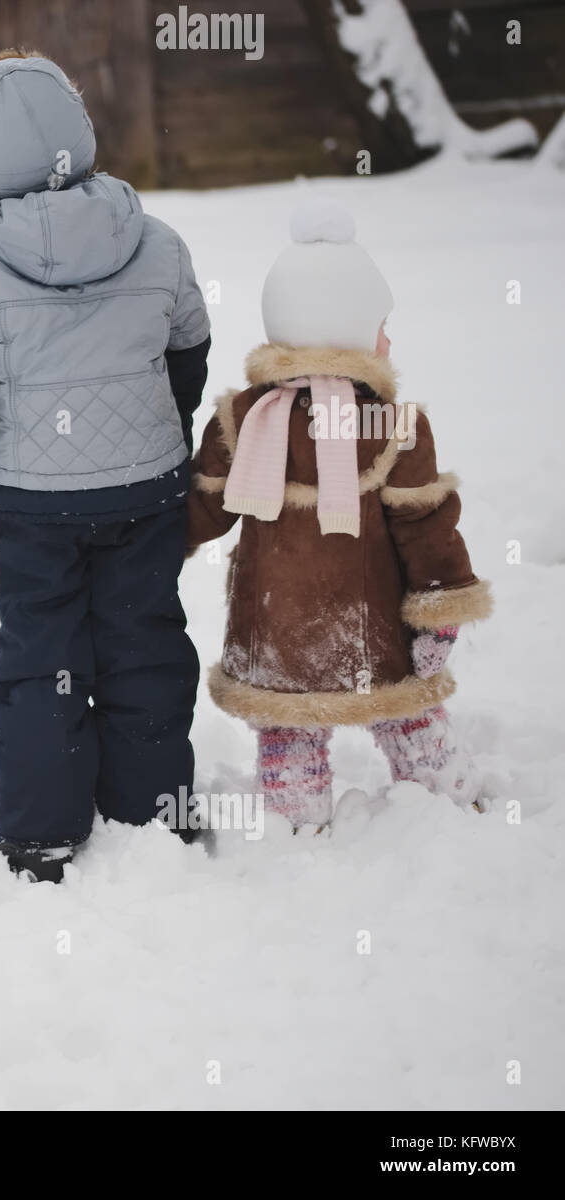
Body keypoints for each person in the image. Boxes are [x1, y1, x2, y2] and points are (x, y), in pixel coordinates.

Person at [0, 50, 211, 881]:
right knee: (144, 641)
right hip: (145, 488)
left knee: (42, 656)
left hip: (34, 505)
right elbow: (185, 355)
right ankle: (155, 811)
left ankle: (42, 831)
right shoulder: (156, 239)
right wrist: (161, 434)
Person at [187, 198, 492, 832]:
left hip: (274, 630)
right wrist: (441, 608)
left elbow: (202, 507)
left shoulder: (242, 417)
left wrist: (142, 551)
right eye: (382, 324)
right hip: (371, 625)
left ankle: (297, 824)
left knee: (288, 728)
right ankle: (450, 797)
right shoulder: (392, 425)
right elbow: (426, 524)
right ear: (353, 329)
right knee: (407, 709)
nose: (388, 339)